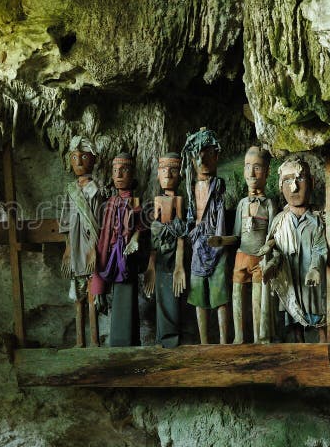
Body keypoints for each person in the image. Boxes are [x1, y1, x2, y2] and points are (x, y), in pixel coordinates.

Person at [209, 146, 276, 343]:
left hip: (259, 260)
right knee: (236, 296)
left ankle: (258, 338)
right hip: (241, 257)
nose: (251, 173)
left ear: (267, 172)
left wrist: (269, 245)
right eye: (247, 167)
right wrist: (222, 240)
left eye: (257, 167)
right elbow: (237, 236)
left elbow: (274, 234)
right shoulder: (242, 204)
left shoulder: (269, 205)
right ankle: (238, 337)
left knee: (257, 300)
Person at [261, 157, 327, 343]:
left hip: (313, 285)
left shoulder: (318, 220)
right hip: (290, 282)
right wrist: (271, 265)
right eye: (287, 180)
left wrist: (315, 268)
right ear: (280, 186)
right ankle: (298, 345)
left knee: (320, 317)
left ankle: (323, 345)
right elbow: (276, 250)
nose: (294, 187)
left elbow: (320, 248)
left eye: (300, 179)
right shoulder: (279, 221)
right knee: (293, 321)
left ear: (311, 182)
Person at [181, 128, 229, 344]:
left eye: (207, 154)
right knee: (198, 293)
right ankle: (204, 342)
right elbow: (191, 214)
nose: (202, 160)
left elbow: (220, 212)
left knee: (220, 292)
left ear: (215, 156)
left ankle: (224, 341)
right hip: (198, 241)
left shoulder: (218, 185)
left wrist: (219, 238)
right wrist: (191, 232)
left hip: (216, 238)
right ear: (192, 159)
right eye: (197, 155)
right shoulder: (191, 187)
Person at [91, 152, 143, 347]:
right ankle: (124, 343)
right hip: (110, 256)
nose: (119, 175)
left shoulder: (135, 201)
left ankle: (124, 343)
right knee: (116, 301)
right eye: (115, 171)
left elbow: (140, 226)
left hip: (127, 257)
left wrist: (135, 239)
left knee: (125, 299)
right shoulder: (109, 204)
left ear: (132, 174)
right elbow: (103, 236)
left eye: (124, 170)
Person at [58, 136, 103, 347]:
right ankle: (79, 341)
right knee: (77, 294)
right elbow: (66, 221)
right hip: (75, 246)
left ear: (92, 160)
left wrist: (94, 249)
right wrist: (68, 248)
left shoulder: (95, 190)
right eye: (74, 157)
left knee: (92, 292)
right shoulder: (71, 189)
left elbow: (99, 221)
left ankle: (94, 341)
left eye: (83, 157)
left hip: (89, 244)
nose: (78, 162)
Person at [144, 153, 187, 348]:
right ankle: (162, 338)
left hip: (174, 256)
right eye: (163, 170)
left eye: (173, 170)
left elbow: (181, 234)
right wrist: (151, 265)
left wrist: (179, 265)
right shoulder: (157, 200)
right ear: (157, 174)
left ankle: (172, 338)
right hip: (161, 256)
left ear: (180, 175)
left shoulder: (178, 200)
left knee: (174, 297)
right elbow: (154, 236)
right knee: (161, 297)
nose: (168, 174)